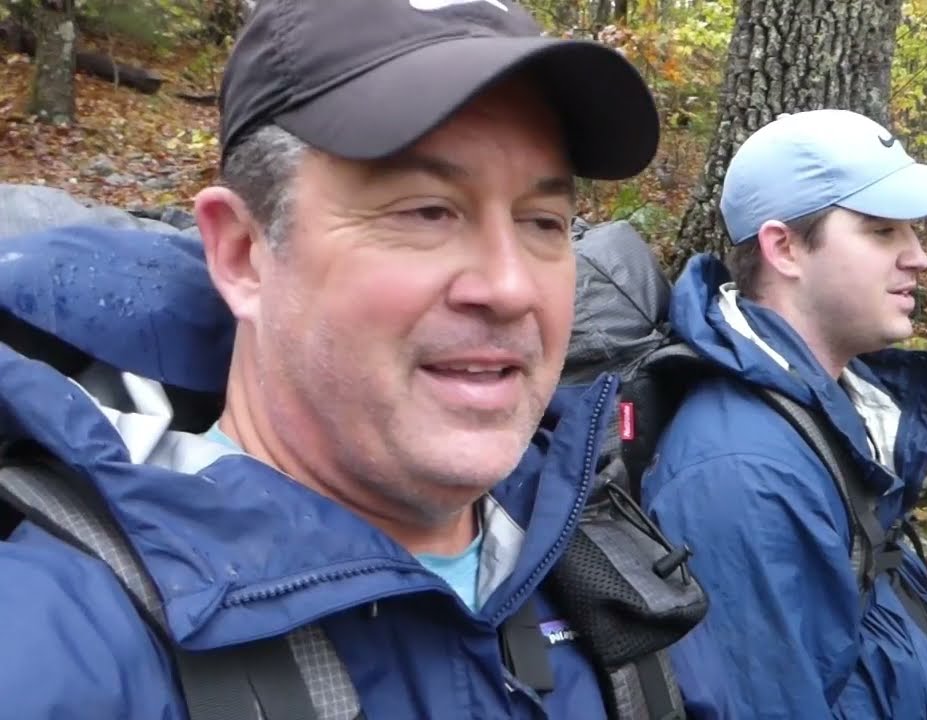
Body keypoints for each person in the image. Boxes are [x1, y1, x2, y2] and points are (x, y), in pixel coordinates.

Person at [0, 0, 730, 717]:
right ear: (245, 253)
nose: (510, 288)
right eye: (426, 211)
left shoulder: (604, 568)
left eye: (543, 222)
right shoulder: (62, 650)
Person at [639, 109, 927, 719]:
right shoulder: (744, 472)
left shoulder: (828, 408)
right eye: (882, 230)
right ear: (785, 248)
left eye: (911, 231)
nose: (919, 257)